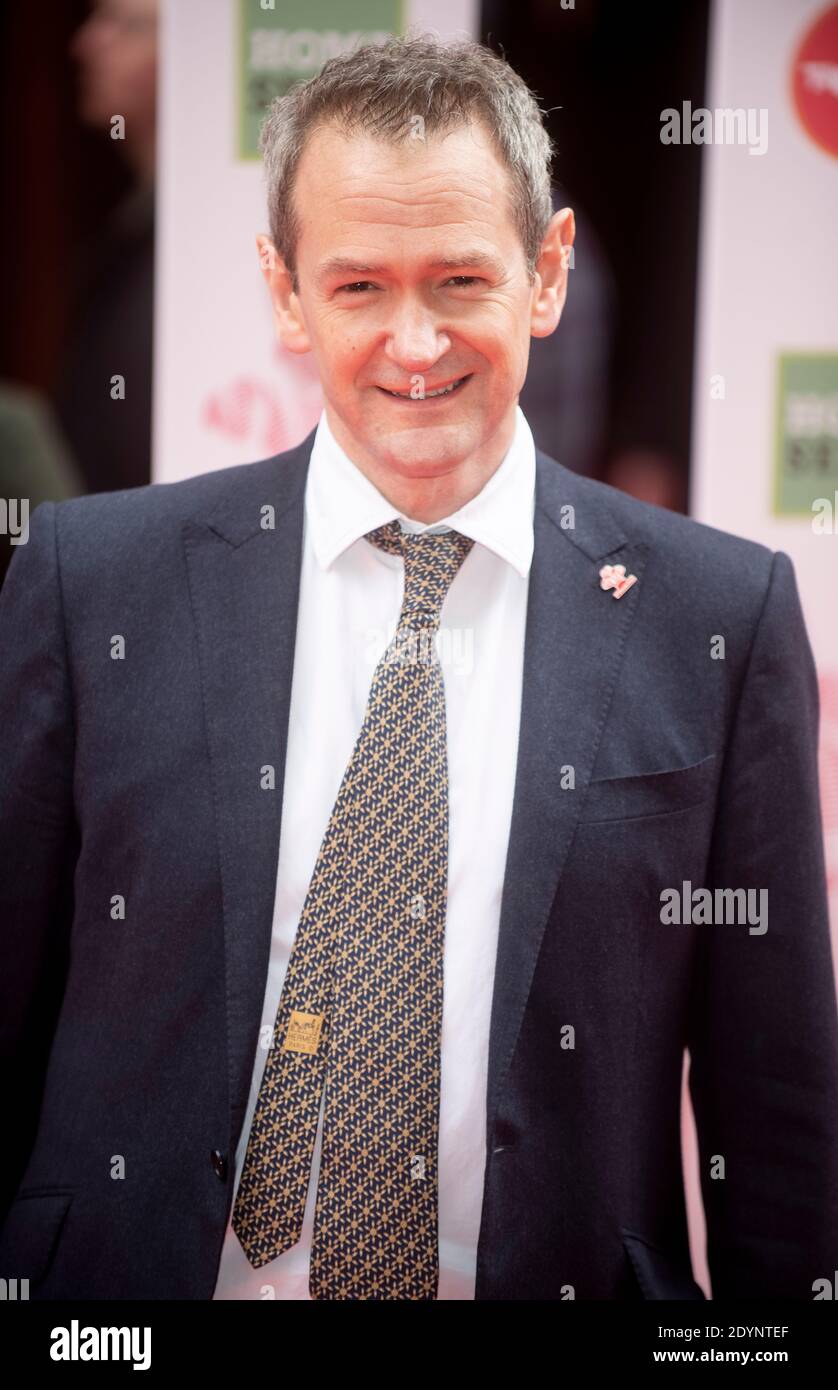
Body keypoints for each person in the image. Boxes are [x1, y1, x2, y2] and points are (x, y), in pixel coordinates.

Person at [0, 34, 835, 1302]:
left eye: (458, 279)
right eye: (356, 288)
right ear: (285, 294)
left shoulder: (717, 617)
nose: (414, 342)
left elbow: (778, 1116)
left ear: (545, 273)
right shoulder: (91, 581)